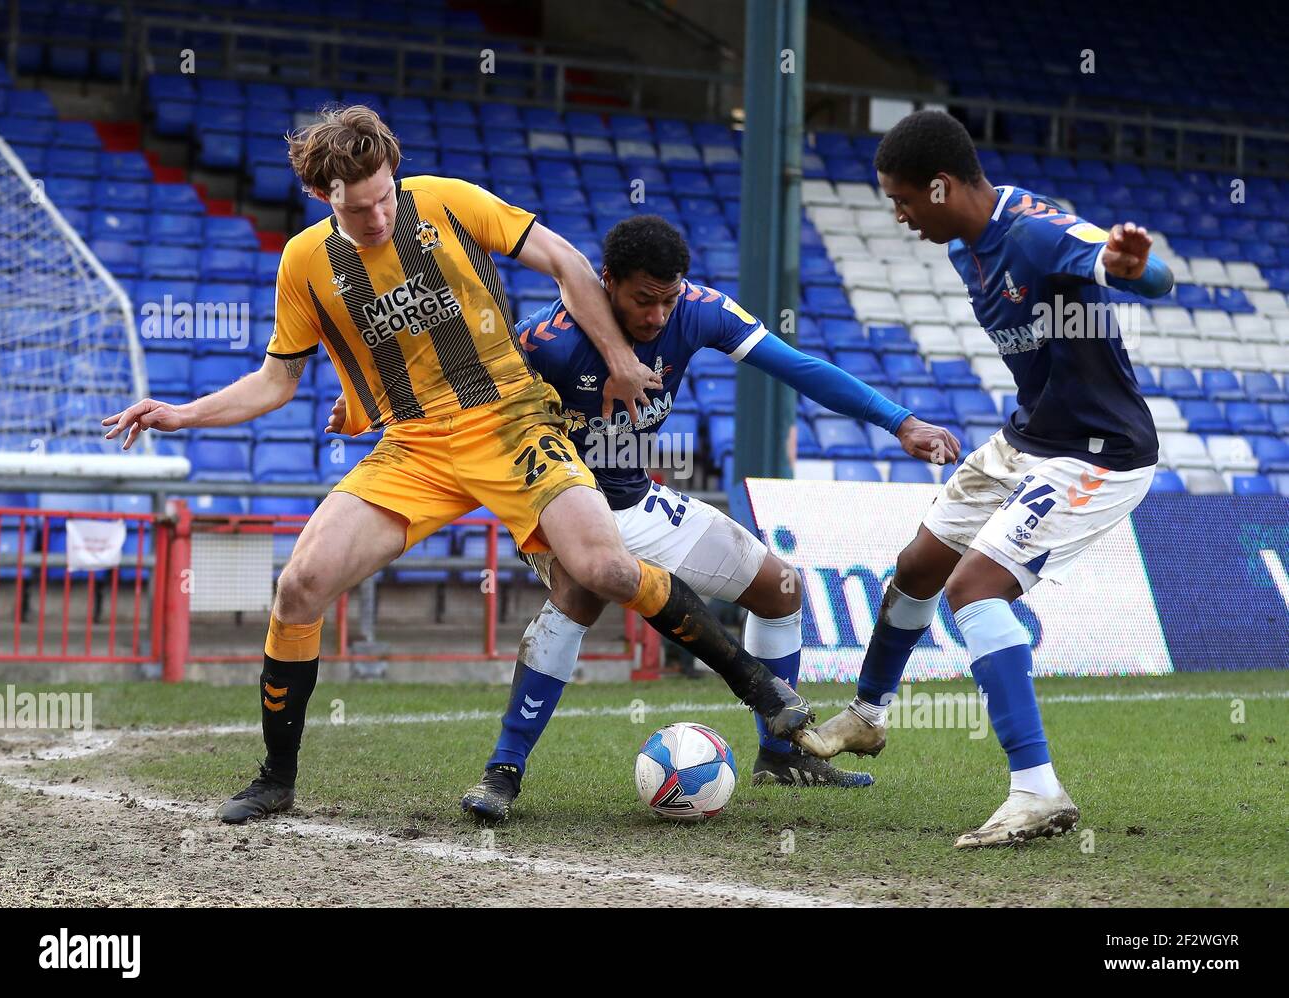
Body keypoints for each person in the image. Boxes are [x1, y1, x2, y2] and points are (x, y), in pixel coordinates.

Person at [102, 105, 812, 825]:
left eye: (384, 196)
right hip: (413, 447)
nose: (377, 216)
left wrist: (623, 359)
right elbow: (278, 379)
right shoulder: (304, 263)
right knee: (299, 586)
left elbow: (568, 263)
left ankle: (756, 686)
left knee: (607, 572)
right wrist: (182, 412)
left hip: (511, 419)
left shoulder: (450, 201)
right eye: (358, 207)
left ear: (394, 173)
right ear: (324, 198)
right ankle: (275, 779)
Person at [327, 214, 960, 821]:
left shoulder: (699, 311)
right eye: (642, 301)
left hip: (638, 499)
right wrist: (364, 406)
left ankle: (782, 754)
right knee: (582, 588)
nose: (657, 316)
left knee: (782, 589)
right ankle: (503, 772)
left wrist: (899, 421)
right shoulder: (549, 343)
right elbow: (459, 391)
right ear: (605, 280)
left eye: (668, 299)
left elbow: (797, 367)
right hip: (558, 504)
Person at [796, 110, 1173, 848]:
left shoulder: (1034, 232)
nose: (900, 217)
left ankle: (1038, 792)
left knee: (972, 588)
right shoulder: (966, 247)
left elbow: (1144, 274)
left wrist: (1136, 268)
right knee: (917, 568)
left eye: (902, 200)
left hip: (1097, 452)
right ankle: (868, 718)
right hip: (1027, 435)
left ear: (940, 187)